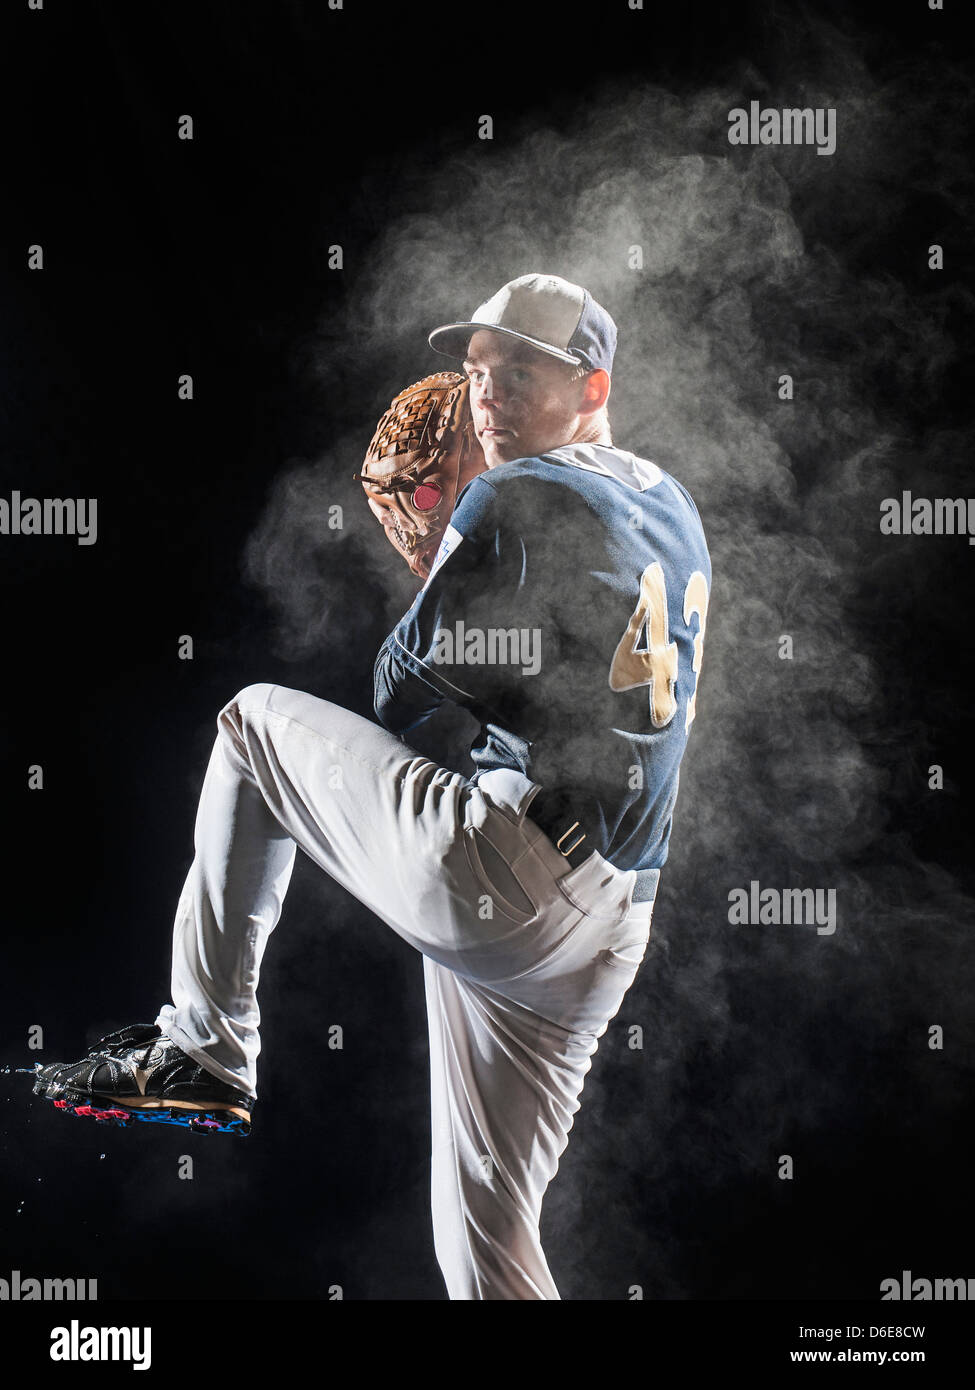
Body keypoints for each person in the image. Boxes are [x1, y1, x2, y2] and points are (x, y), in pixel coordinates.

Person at [29, 273, 711, 1300]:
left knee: (251, 724)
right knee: (486, 1247)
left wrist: (446, 558)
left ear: (593, 384)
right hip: (608, 928)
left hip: (509, 877)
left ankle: (205, 1049)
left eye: (521, 370)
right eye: (479, 367)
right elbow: (572, 669)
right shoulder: (675, 503)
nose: (486, 392)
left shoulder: (512, 492)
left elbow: (400, 692)